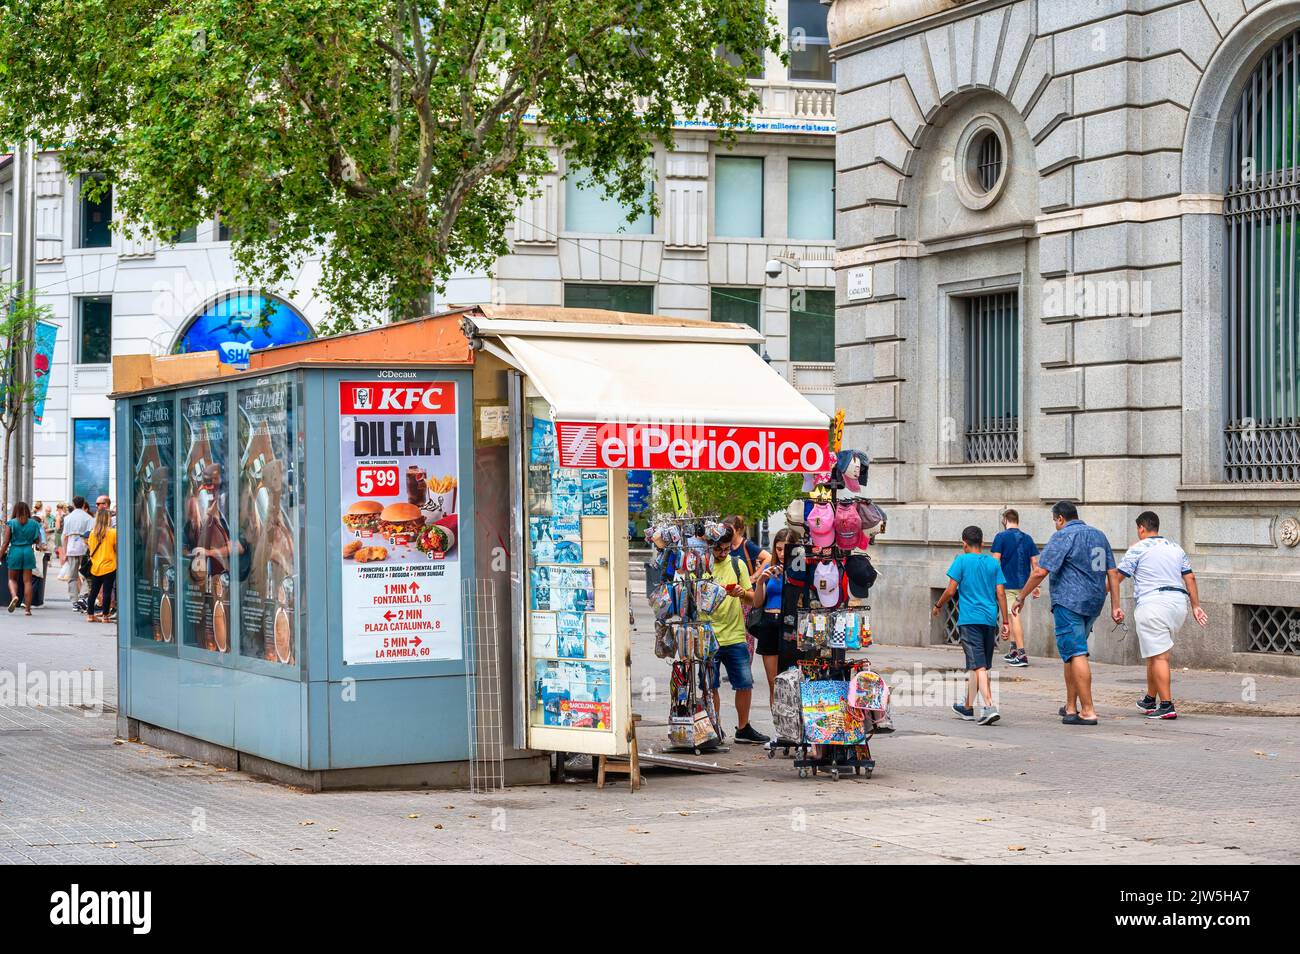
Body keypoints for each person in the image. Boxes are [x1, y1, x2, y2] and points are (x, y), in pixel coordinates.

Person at [1012, 501, 1124, 726]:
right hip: (1094, 601)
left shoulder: (1063, 536)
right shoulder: (1099, 535)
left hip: (1069, 602)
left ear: (1060, 519)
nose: (1055, 524)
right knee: (1070, 654)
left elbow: (1040, 571)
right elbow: (1112, 572)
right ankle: (1071, 707)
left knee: (1077, 653)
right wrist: (1115, 605)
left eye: (1055, 520)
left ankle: (1089, 710)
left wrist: (1020, 597)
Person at [1116, 511, 1209, 721]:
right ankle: (1150, 698)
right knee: (1154, 652)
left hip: (1153, 605)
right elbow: (1190, 577)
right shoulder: (1176, 548)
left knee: (1159, 657)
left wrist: (1102, 595)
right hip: (1178, 605)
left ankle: (1167, 705)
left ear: (1141, 528)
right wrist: (1196, 606)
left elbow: (1118, 576)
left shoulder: (1137, 549)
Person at [933, 525, 1008, 725]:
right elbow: (1000, 593)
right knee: (978, 665)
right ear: (983, 544)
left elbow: (950, 591)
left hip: (970, 619)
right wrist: (1006, 621)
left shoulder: (961, 561)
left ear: (964, 544)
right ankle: (967, 707)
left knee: (978, 665)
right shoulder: (993, 563)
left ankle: (989, 706)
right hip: (990, 620)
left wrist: (938, 605)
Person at [702, 525, 769, 745]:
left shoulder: (737, 564)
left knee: (744, 683)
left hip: (735, 634)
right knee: (710, 685)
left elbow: (753, 599)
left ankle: (743, 727)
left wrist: (743, 593)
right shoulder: (701, 566)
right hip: (708, 635)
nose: (723, 553)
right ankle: (714, 727)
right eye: (719, 549)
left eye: (727, 549)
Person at [751, 527, 800, 708]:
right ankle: (779, 728)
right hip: (769, 625)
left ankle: (794, 727)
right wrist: (761, 581)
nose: (781, 553)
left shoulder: (799, 567)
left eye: (786, 549)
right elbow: (757, 603)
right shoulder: (768, 565)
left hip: (790, 625)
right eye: (778, 549)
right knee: (774, 683)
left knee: (793, 681)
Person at [990, 509, 1039, 667]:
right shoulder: (1028, 538)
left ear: (1005, 520)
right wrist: (1036, 585)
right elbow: (1035, 564)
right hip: (1024, 586)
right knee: (1012, 616)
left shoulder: (1000, 537)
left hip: (1007, 584)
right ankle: (1013, 651)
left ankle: (1022, 654)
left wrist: (993, 582)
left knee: (1014, 616)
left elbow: (995, 562)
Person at [724, 514, 770, 658]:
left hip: (745, 596)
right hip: (730, 596)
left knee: (746, 636)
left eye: (730, 530)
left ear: (738, 530)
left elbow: (768, 557)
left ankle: (746, 666)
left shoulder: (746, 545)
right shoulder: (726, 546)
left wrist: (755, 576)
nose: (728, 534)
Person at [2, 502, 43, 615]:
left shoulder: (11, 523)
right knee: (28, 581)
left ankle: (14, 596)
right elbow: (38, 541)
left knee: (12, 579)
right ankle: (27, 610)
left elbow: (5, 543)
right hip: (28, 552)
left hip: (15, 551)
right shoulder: (34, 523)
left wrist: (0, 555)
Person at [85, 508, 118, 623]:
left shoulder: (92, 533)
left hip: (96, 566)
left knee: (93, 591)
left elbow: (90, 548)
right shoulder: (113, 533)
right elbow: (116, 549)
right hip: (109, 565)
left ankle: (90, 615)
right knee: (107, 591)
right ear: (108, 519)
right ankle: (105, 616)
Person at [61, 496, 94, 604]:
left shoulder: (68, 518)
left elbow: (64, 536)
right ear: (83, 504)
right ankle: (83, 595)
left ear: (74, 504)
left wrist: (64, 552)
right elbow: (91, 535)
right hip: (84, 547)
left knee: (72, 575)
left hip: (71, 546)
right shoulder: (88, 518)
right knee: (86, 573)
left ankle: (74, 600)